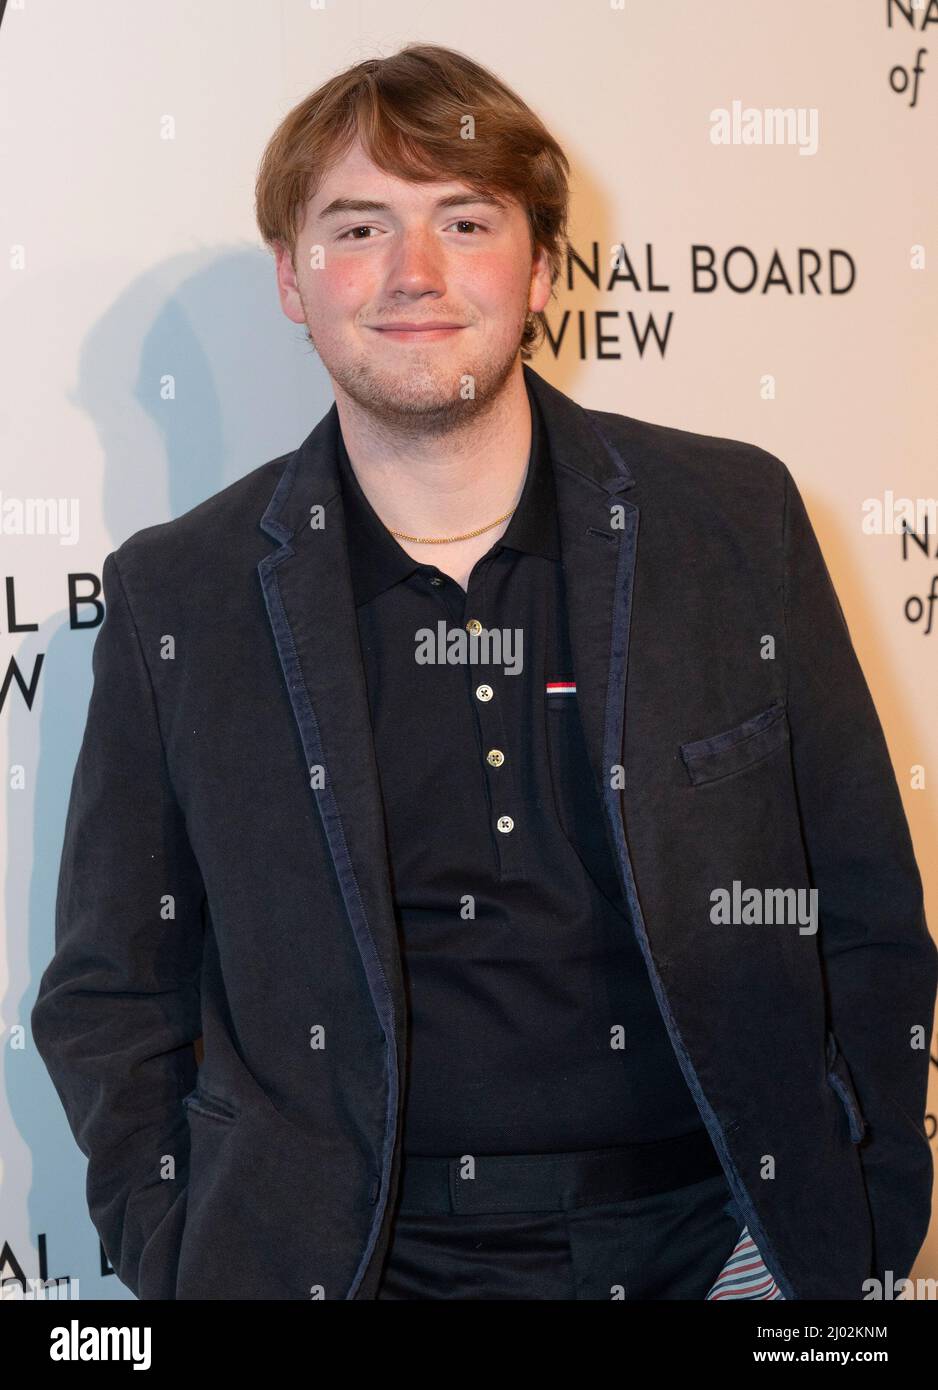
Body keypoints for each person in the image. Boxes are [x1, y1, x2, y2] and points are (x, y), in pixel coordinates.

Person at [32, 43, 936, 1302]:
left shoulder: (729, 520)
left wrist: (872, 1204)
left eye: (464, 220)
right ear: (293, 280)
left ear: (541, 266)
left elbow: (862, 902)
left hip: (729, 1247)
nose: (415, 274)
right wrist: (184, 1252)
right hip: (335, 1267)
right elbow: (113, 989)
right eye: (359, 227)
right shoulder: (178, 594)